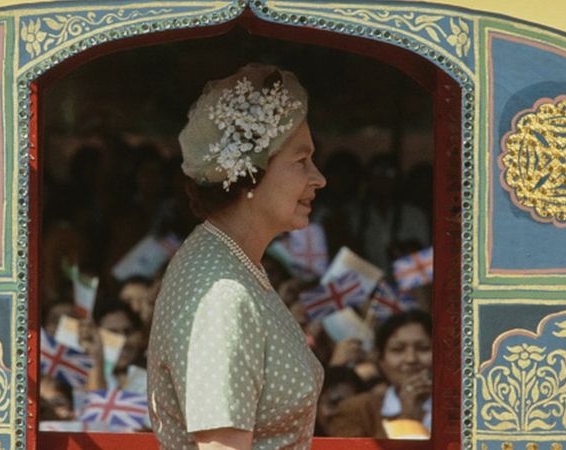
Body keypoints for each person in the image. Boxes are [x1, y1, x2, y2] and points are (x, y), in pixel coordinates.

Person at [147, 63, 327, 450]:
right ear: (252, 173)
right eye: (301, 161)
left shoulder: (234, 264)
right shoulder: (223, 294)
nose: (318, 178)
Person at [325, 310, 432, 439]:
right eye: (397, 349)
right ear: (381, 360)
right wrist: (407, 417)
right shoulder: (357, 411)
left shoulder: (459, 408)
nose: (411, 359)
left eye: (423, 348)